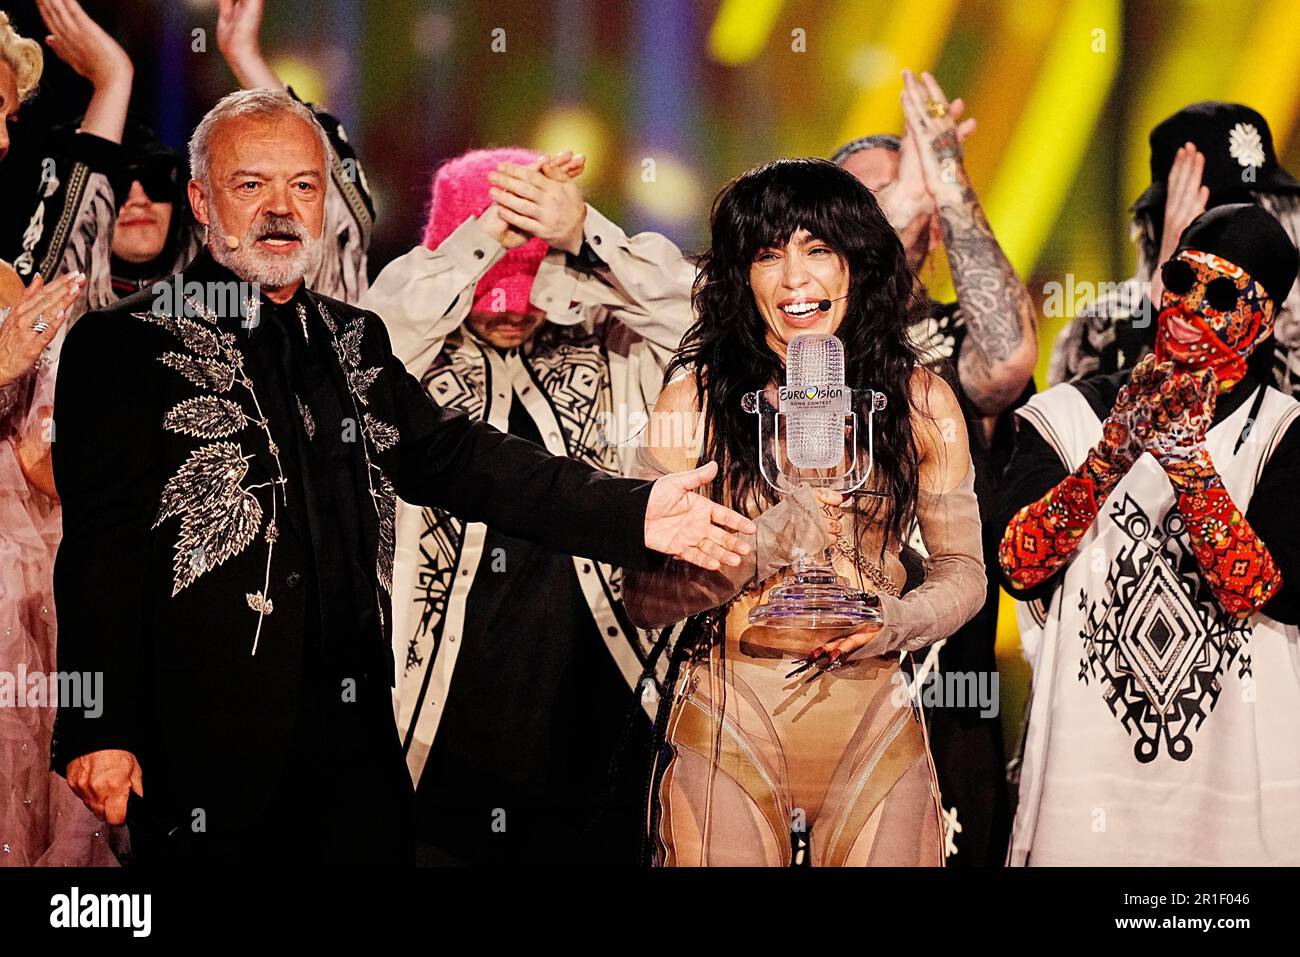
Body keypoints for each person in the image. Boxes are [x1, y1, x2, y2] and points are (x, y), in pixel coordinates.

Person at [51, 88, 756, 866]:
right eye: (251, 185)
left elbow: (461, 458)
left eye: (304, 186)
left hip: (355, 749)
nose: (281, 209)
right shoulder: (123, 345)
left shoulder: (353, 339)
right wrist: (98, 725)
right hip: (206, 744)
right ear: (201, 199)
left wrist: (638, 509)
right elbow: (98, 551)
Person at [622, 158, 986, 866]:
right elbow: (641, 596)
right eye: (767, 255)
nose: (794, 279)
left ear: (857, 265)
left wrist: (902, 620)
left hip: (874, 715)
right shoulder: (692, 404)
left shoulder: (922, 402)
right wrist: (762, 544)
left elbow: (965, 569)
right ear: (741, 278)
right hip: (731, 714)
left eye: (818, 249)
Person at [363, 147, 694, 864]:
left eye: (529, 270)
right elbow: (368, 334)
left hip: (604, 693)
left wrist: (587, 235)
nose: (511, 311)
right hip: (442, 705)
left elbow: (708, 322)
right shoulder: (414, 353)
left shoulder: (613, 337)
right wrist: (482, 241)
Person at [997, 204, 1300, 865]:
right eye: (1181, 278)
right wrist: (1108, 458)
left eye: (1219, 293)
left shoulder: (1287, 431)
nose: (1190, 305)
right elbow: (1019, 568)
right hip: (1086, 807)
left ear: (1266, 319)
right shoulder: (1066, 415)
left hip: (1241, 808)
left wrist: (1187, 464)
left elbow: (1268, 588)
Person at [832, 69, 1034, 865]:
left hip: (949, 698)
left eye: (905, 197)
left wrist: (948, 181)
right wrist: (905, 200)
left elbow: (1012, 357)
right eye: (869, 201)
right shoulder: (793, 344)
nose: (900, 209)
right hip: (813, 691)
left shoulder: (957, 340)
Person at [8, 0, 372, 318]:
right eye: (116, 186)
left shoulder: (253, 303)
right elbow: (52, 261)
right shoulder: (68, 321)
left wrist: (244, 56)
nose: (139, 198)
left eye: (155, 180)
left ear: (194, 200)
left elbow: (334, 229)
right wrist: (113, 79)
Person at [0, 7, 113, 867]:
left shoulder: (3, 271)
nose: (5, 144)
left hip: (26, 583)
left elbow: (77, 246)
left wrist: (53, 463)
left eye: (8, 121)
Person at [1049, 101, 1300, 394]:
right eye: (1210, 218)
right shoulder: (1104, 322)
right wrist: (1163, 304)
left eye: (1260, 211)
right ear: (1159, 225)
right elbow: (1096, 428)